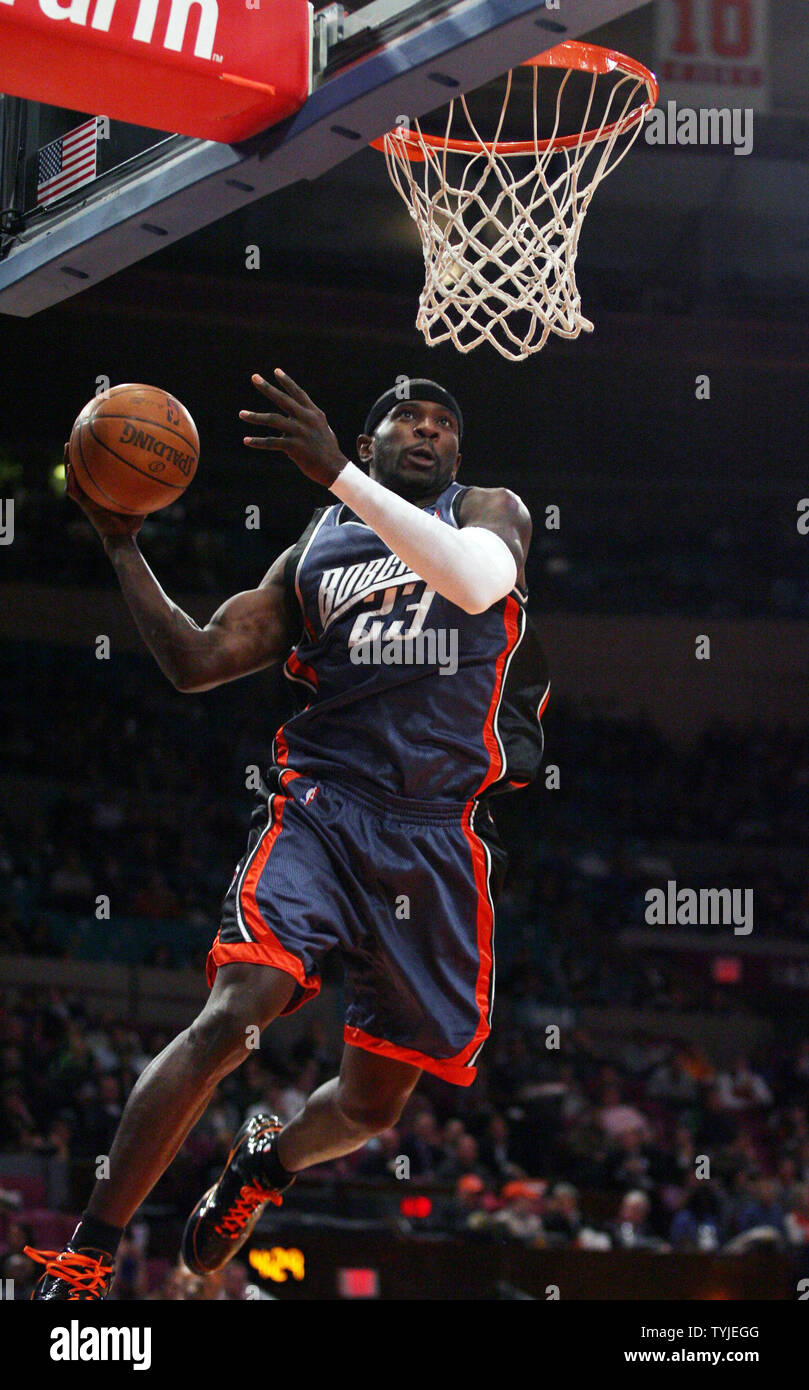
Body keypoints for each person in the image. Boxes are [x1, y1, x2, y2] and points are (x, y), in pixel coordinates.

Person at [24, 370, 549, 1300]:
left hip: (438, 832)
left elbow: (474, 583)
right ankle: (90, 1255)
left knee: (369, 1105)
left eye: (441, 424)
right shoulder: (312, 552)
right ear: (370, 434)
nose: (425, 432)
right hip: (325, 808)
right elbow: (196, 660)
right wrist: (120, 544)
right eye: (404, 417)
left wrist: (338, 473)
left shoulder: (488, 512)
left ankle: (261, 1168)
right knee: (233, 1015)